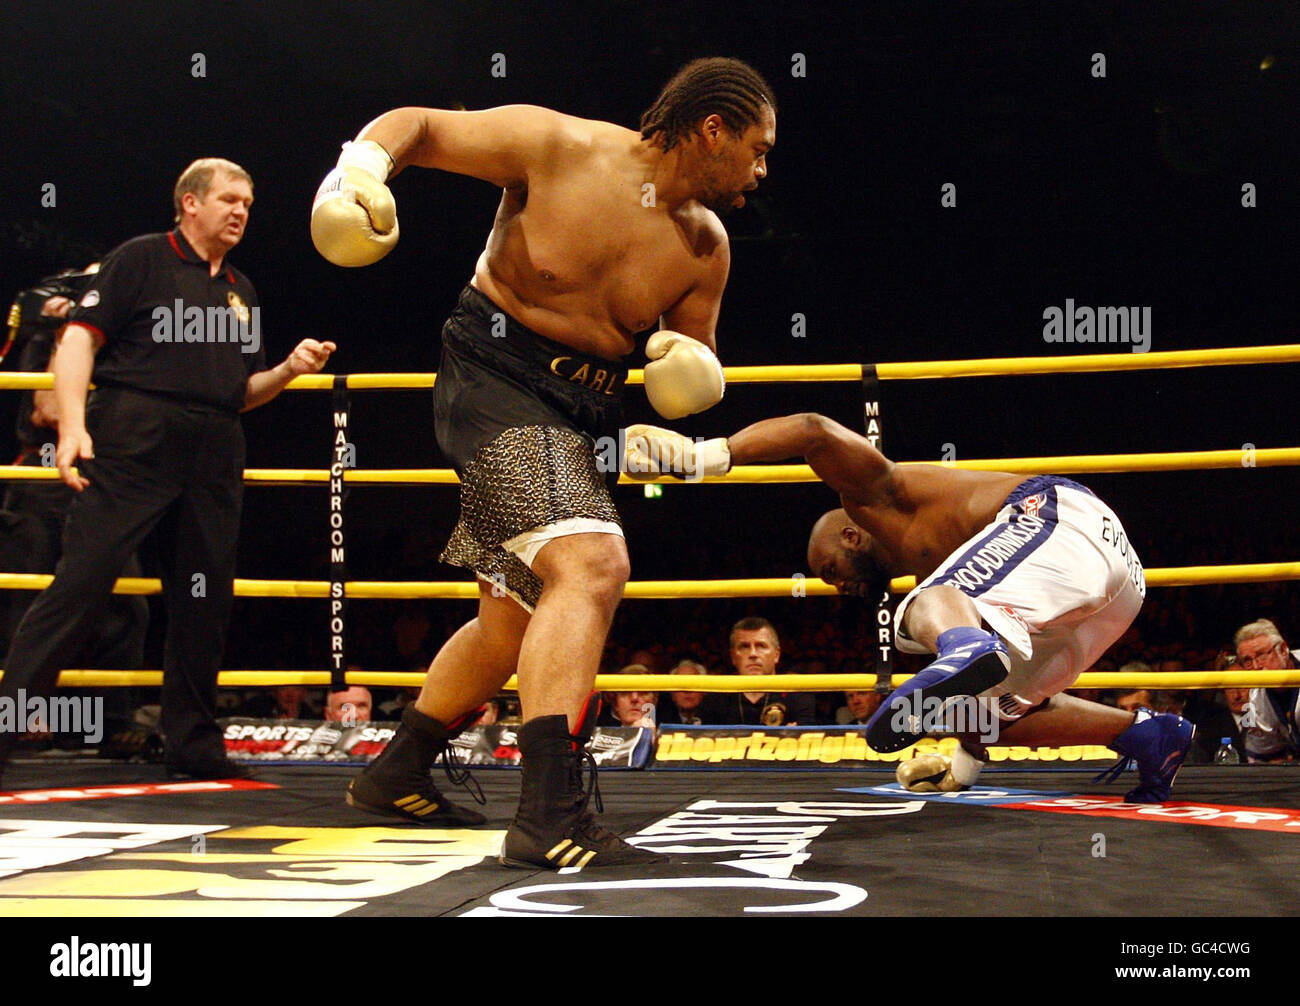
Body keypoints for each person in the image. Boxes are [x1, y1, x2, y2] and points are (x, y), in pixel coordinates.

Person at [314, 57, 776, 869]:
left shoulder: (706, 247)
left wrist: (687, 382)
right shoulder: (558, 146)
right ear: (713, 131)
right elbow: (419, 125)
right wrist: (360, 169)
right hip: (490, 377)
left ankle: (396, 770)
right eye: (758, 149)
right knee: (592, 565)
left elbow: (694, 357)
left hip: (585, 412)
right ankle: (548, 811)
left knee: (513, 621)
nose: (761, 172)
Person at [625, 412, 1195, 802]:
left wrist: (706, 455)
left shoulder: (874, 494)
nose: (835, 587)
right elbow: (973, 686)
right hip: (1119, 590)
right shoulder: (957, 579)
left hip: (1057, 521)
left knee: (920, 618)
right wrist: (962, 768)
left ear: (850, 537)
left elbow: (811, 429)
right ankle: (1149, 735)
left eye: (830, 572)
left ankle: (967, 648)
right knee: (983, 713)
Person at [0, 158, 337, 784]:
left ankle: (193, 745)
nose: (240, 211)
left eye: (248, 202)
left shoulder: (242, 290)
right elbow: (79, 340)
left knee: (203, 600)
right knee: (81, 585)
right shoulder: (141, 259)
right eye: (229, 199)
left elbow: (242, 391)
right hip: (135, 435)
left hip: (214, 446)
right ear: (190, 202)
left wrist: (289, 369)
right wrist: (73, 426)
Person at [720, 617, 816, 725]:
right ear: (733, 656)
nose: (753, 654)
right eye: (744, 647)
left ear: (776, 654)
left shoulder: (797, 697)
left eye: (761, 646)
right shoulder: (716, 698)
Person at [1229, 619, 1299, 760]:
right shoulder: (1256, 698)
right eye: (1248, 660)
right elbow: (1266, 754)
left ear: (1283, 650)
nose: (1256, 666)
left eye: (1261, 655)